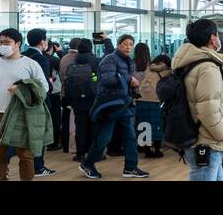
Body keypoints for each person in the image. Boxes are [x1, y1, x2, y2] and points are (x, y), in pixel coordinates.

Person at [0, 28, 48, 181]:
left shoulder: (30, 64)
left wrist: (22, 88)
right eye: (0, 42)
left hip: (21, 113)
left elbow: (44, 88)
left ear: (18, 43)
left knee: (25, 155)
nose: (3, 45)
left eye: (7, 42)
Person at [172, 18, 223, 181]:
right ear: (213, 39)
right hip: (207, 140)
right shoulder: (208, 68)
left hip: (196, 135)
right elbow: (208, 111)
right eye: (216, 35)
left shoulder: (189, 62)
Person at [80, 33, 148, 179]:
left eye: (131, 44)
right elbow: (106, 79)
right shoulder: (109, 59)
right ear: (118, 44)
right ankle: (88, 163)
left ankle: (131, 167)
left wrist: (134, 89)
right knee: (104, 138)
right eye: (125, 44)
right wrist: (130, 79)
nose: (128, 47)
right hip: (110, 104)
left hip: (125, 103)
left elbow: (125, 82)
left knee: (130, 136)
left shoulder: (129, 61)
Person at [22, 28, 57, 175]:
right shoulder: (41, 59)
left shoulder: (23, 56)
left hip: (23, 100)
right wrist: (49, 83)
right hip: (39, 102)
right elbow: (42, 84)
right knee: (39, 135)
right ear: (43, 42)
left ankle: (29, 166)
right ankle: (38, 166)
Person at [63, 38, 101, 161]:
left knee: (80, 126)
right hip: (92, 99)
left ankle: (80, 154)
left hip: (77, 100)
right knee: (93, 126)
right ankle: (92, 153)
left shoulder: (74, 61)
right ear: (90, 48)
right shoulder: (94, 61)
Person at [134, 43, 170, 158]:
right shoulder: (168, 71)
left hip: (141, 98)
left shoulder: (149, 67)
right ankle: (157, 150)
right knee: (156, 125)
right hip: (155, 100)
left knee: (143, 125)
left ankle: (146, 151)